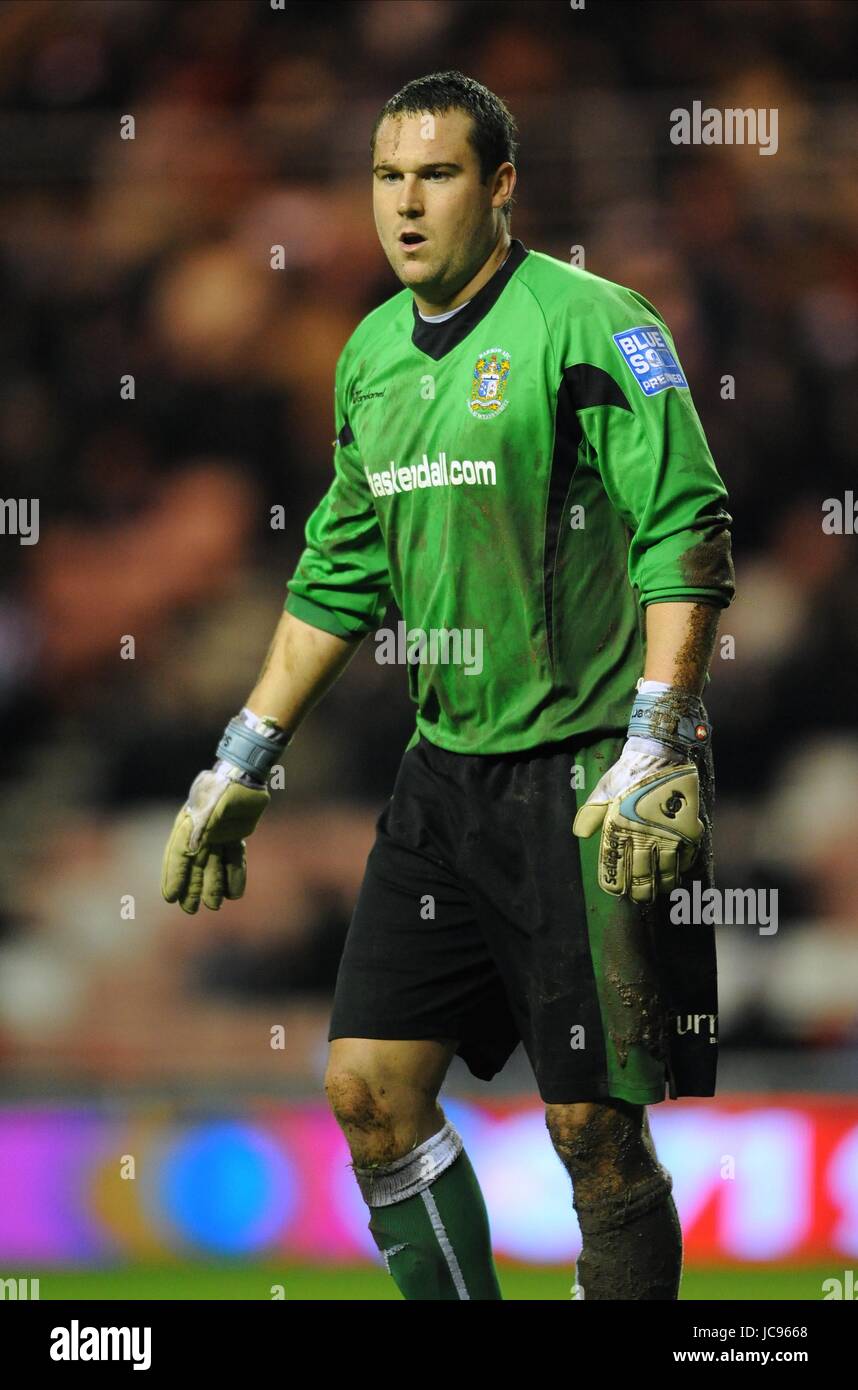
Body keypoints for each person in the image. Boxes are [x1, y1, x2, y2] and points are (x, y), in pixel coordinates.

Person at [161, 70, 735, 1301]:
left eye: (437, 175)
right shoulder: (369, 356)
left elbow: (684, 522)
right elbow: (340, 568)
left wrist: (661, 734)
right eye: (387, 177)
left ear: (502, 187)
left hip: (589, 776)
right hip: (444, 781)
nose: (406, 205)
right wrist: (244, 755)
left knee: (593, 1135)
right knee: (367, 1092)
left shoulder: (596, 322)